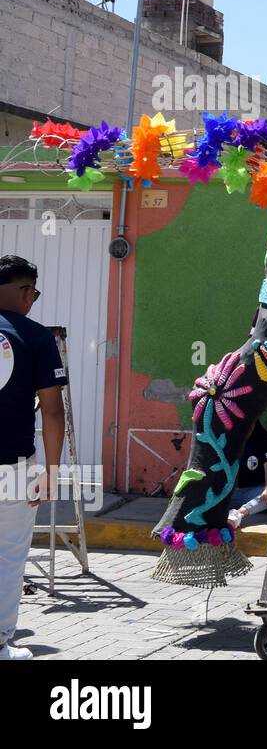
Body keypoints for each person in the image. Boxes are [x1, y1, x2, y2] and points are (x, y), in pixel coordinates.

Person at [0, 256, 67, 661]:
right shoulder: (37, 336)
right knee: (8, 557)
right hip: (12, 468)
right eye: (33, 293)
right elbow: (53, 411)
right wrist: (52, 471)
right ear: (25, 292)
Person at [226, 419, 267, 530]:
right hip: (231, 494)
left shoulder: (264, 437)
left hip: (255, 494)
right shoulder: (229, 436)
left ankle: (238, 515)